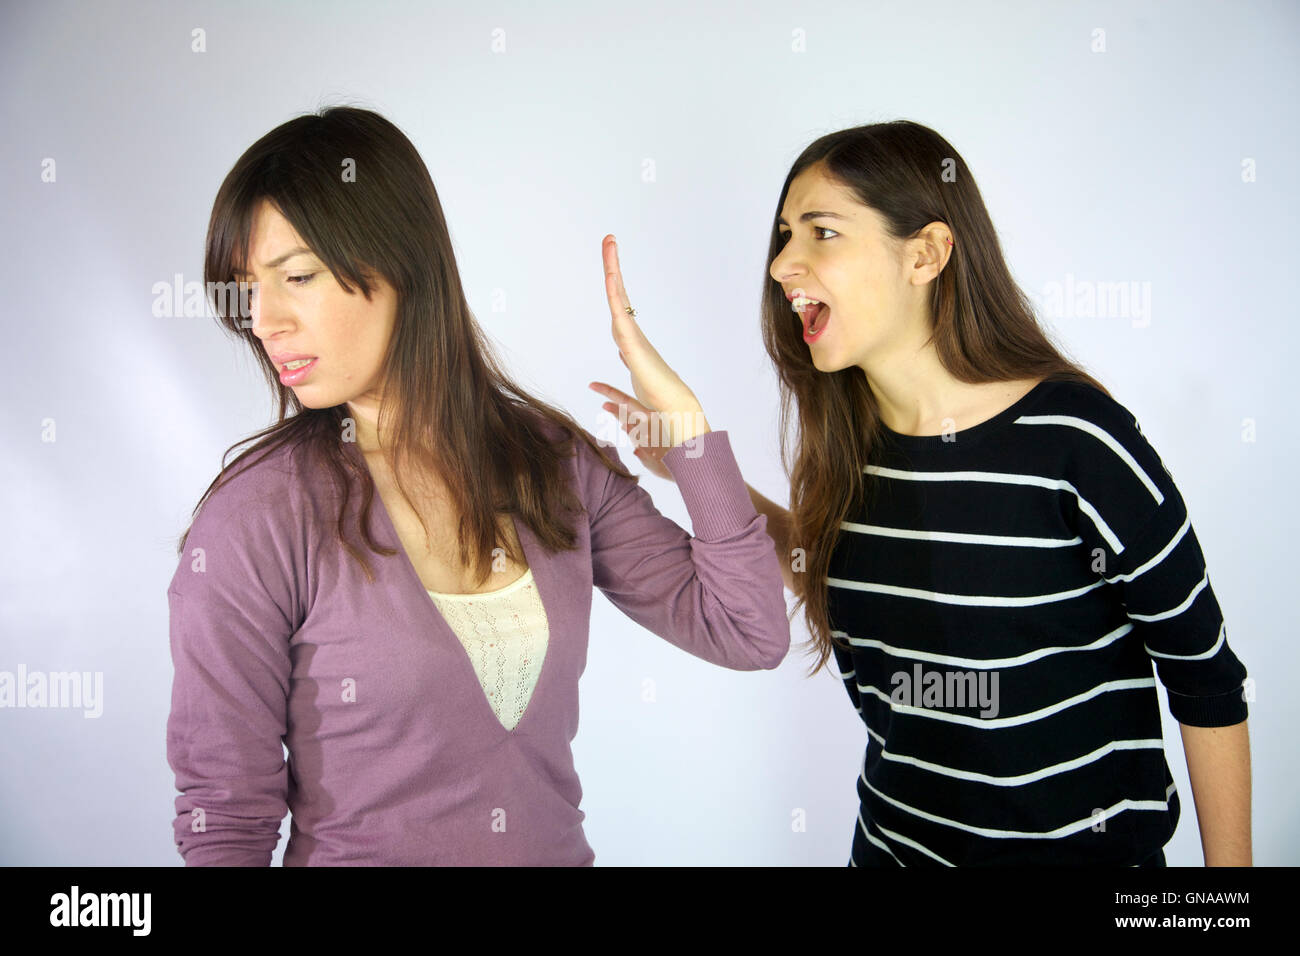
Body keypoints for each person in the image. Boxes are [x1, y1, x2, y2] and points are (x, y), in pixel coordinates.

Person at [597, 120, 1252, 867]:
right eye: (784, 235)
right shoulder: (851, 445)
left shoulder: (1077, 439)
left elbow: (1205, 677)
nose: (783, 264)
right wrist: (691, 460)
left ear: (927, 253)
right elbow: (819, 562)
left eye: (822, 233)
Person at [165, 106, 790, 866]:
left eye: (297, 277)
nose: (264, 320)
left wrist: (690, 440)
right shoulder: (254, 519)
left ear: (399, 260)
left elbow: (748, 631)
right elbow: (225, 821)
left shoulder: (554, 464)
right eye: (246, 290)